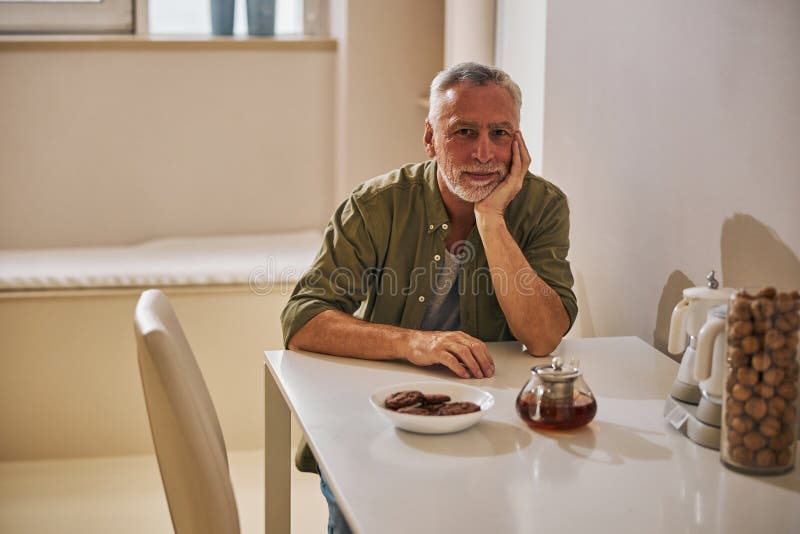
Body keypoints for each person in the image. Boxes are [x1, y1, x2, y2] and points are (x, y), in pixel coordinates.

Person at [280, 62, 577, 533]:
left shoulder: (542, 206)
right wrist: (416, 344)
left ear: (518, 142)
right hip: (380, 421)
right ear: (430, 139)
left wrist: (492, 219)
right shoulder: (377, 204)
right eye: (463, 131)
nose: (484, 152)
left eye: (500, 133)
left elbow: (542, 339)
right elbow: (303, 321)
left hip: (494, 424)